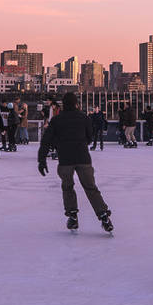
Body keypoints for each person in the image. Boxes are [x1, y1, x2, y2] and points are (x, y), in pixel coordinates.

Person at [38, 92, 113, 234]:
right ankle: (104, 216)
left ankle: (72, 216)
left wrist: (42, 160)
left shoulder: (57, 120)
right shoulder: (84, 118)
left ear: (63, 105)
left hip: (65, 159)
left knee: (67, 187)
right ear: (76, 104)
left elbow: (46, 140)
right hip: (83, 158)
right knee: (90, 187)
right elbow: (90, 138)